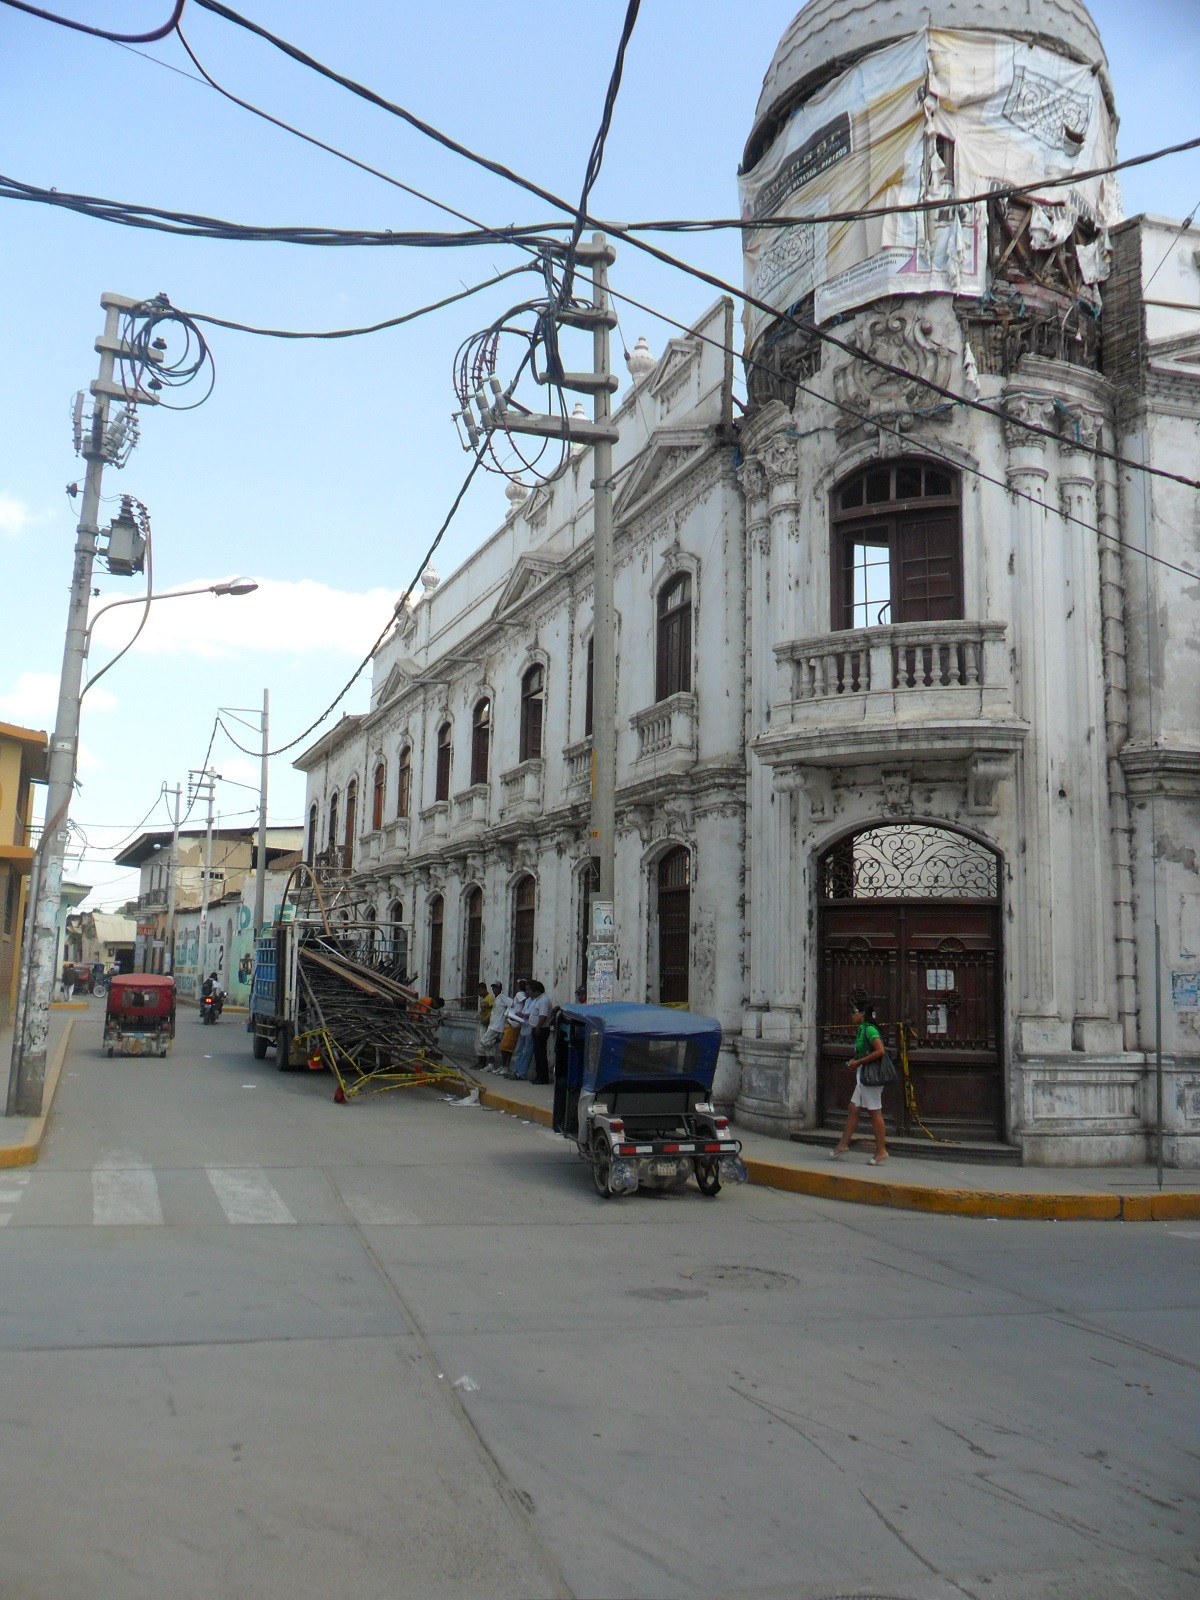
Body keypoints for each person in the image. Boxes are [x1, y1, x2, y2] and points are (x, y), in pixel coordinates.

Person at [831, 999, 888, 1165]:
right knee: (853, 1108)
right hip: (864, 1075)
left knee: (874, 1112)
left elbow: (880, 1051)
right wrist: (855, 1061)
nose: (852, 1015)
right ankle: (843, 1144)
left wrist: (859, 1062)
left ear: (862, 1014)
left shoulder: (869, 1029)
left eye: (854, 1011)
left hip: (871, 1077)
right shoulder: (862, 1029)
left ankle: (881, 1151)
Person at [510, 981, 539, 1081]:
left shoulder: (537, 1001)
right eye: (526, 990)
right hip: (523, 1027)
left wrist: (522, 1015)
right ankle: (515, 1071)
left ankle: (521, 1073)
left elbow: (532, 1014)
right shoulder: (528, 1000)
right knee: (519, 1051)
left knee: (526, 1052)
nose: (527, 992)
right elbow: (524, 1012)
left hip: (530, 1028)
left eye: (528, 989)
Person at [499, 981, 528, 1074]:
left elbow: (525, 1000)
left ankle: (505, 1067)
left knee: (505, 1046)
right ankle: (504, 1066)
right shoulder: (519, 995)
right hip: (512, 1021)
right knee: (506, 1046)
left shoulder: (520, 994)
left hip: (513, 1022)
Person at [528, 980, 554, 1084]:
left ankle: (543, 1077)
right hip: (537, 1028)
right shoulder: (537, 1000)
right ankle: (539, 1075)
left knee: (540, 1054)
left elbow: (543, 1016)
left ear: (536, 990)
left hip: (541, 1029)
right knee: (537, 1054)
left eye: (529, 989)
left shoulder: (543, 1000)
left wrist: (538, 1028)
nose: (528, 991)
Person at [481, 981, 508, 1070]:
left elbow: (512, 1004)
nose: (494, 989)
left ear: (500, 989)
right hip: (492, 1024)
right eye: (493, 988)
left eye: (496, 988)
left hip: (497, 1026)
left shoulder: (502, 997)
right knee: (490, 1047)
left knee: (484, 1041)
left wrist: (507, 1015)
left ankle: (498, 1040)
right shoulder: (496, 998)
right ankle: (490, 1064)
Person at [474, 982, 494, 1070]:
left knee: (484, 1043)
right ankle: (480, 1062)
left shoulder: (490, 998)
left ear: (484, 989)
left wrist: (487, 1020)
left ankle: (484, 1063)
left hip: (487, 1023)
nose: (479, 993)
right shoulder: (483, 998)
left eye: (480, 991)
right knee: (479, 1043)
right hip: (482, 1022)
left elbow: (493, 1011)